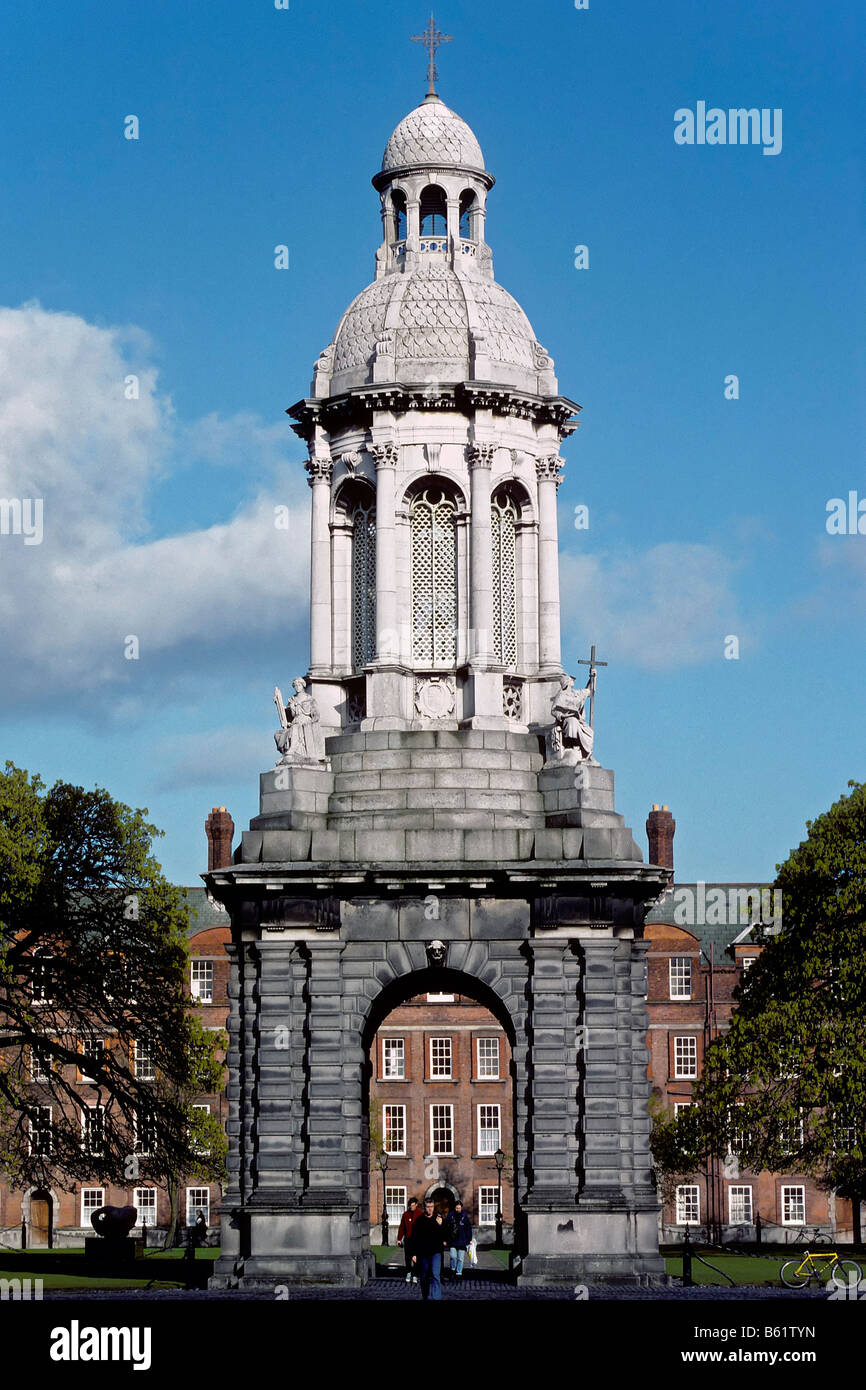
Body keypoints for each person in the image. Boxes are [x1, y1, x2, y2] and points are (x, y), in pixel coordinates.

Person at [408, 1198, 447, 1301]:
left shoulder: (438, 1218)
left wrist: (441, 1225)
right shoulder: (419, 1221)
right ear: (424, 1207)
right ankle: (425, 1296)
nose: (430, 1209)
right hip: (423, 1253)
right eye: (428, 1207)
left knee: (435, 1275)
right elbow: (414, 1238)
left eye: (432, 1207)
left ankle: (436, 1297)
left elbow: (445, 1234)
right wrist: (414, 1254)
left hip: (436, 1252)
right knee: (424, 1277)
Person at [445, 1200, 472, 1281]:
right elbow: (446, 1228)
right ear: (454, 1208)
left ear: (461, 1208)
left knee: (460, 1258)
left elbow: (468, 1228)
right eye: (457, 1208)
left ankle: (459, 1273)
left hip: (462, 1240)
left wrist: (469, 1239)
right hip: (452, 1240)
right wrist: (445, 1239)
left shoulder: (464, 1216)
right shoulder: (450, 1216)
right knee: (453, 1256)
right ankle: (452, 1270)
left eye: (459, 1208)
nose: (458, 1209)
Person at [397, 1197, 421, 1284]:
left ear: (416, 1205)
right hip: (408, 1240)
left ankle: (415, 1275)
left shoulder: (420, 1214)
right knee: (407, 1258)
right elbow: (402, 1227)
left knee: (416, 1258)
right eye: (410, 1206)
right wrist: (399, 1239)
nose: (411, 1207)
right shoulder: (406, 1214)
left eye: (413, 1206)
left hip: (417, 1240)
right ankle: (408, 1272)